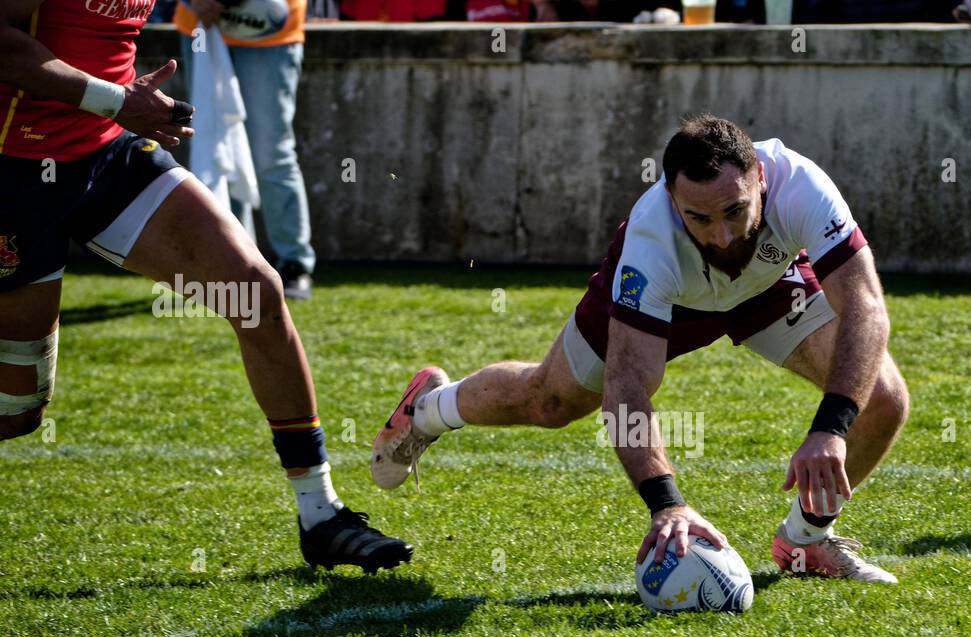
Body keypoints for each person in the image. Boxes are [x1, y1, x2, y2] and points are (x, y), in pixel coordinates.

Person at [372, 114, 908, 582]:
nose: (722, 237)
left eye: (734, 211)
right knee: (548, 402)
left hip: (768, 284)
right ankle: (429, 409)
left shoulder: (801, 184)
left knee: (881, 400)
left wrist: (830, 429)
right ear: (673, 200)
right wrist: (666, 505)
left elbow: (865, 307)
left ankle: (805, 540)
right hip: (672, 299)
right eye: (699, 218)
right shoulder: (650, 242)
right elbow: (626, 387)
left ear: (761, 179)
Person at [0, 0, 412, 573]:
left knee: (255, 292)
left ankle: (320, 514)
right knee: (18, 412)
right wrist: (116, 99)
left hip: (105, 149)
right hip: (13, 167)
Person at [174, 0, 318, 300]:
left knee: (271, 154)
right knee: (213, 147)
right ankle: (233, 262)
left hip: (271, 33)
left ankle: (294, 263)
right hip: (200, 23)